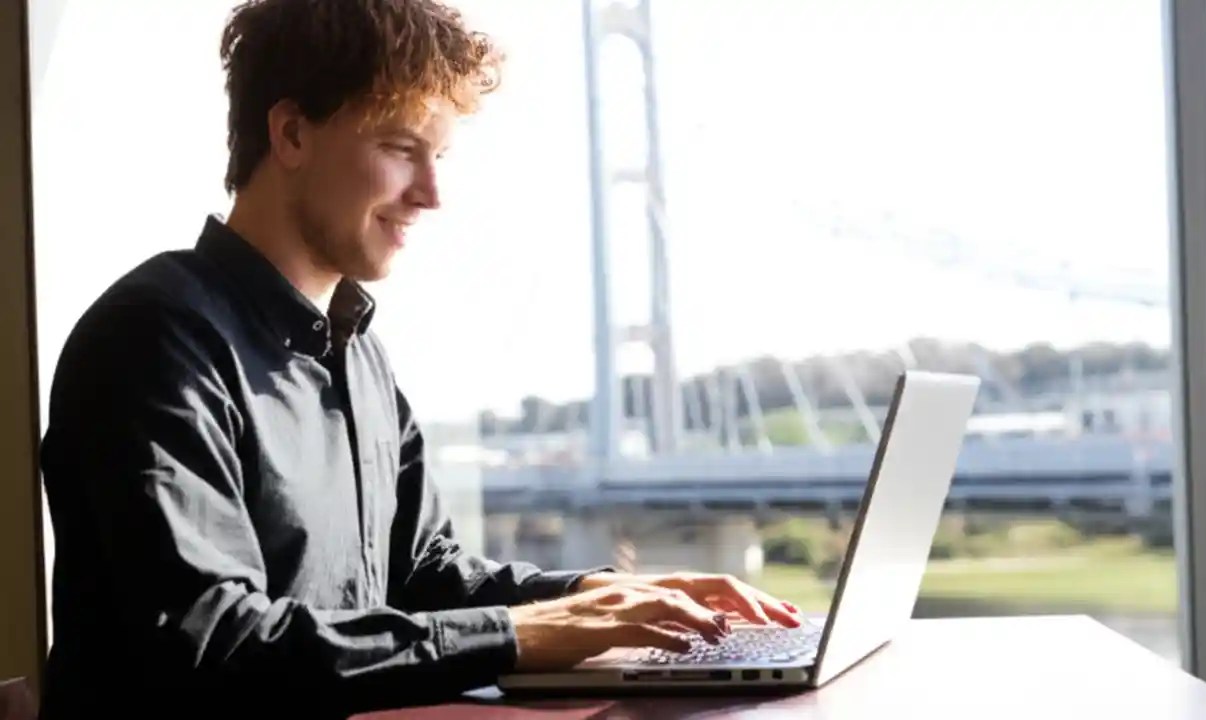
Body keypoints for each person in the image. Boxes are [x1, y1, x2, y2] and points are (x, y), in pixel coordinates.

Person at [36, 1, 802, 717]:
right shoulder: (154, 339)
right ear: (292, 134)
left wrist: (601, 595)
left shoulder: (358, 353)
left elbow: (422, 574)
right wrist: (520, 633)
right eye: (402, 150)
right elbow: (215, 646)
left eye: (439, 155)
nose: (432, 193)